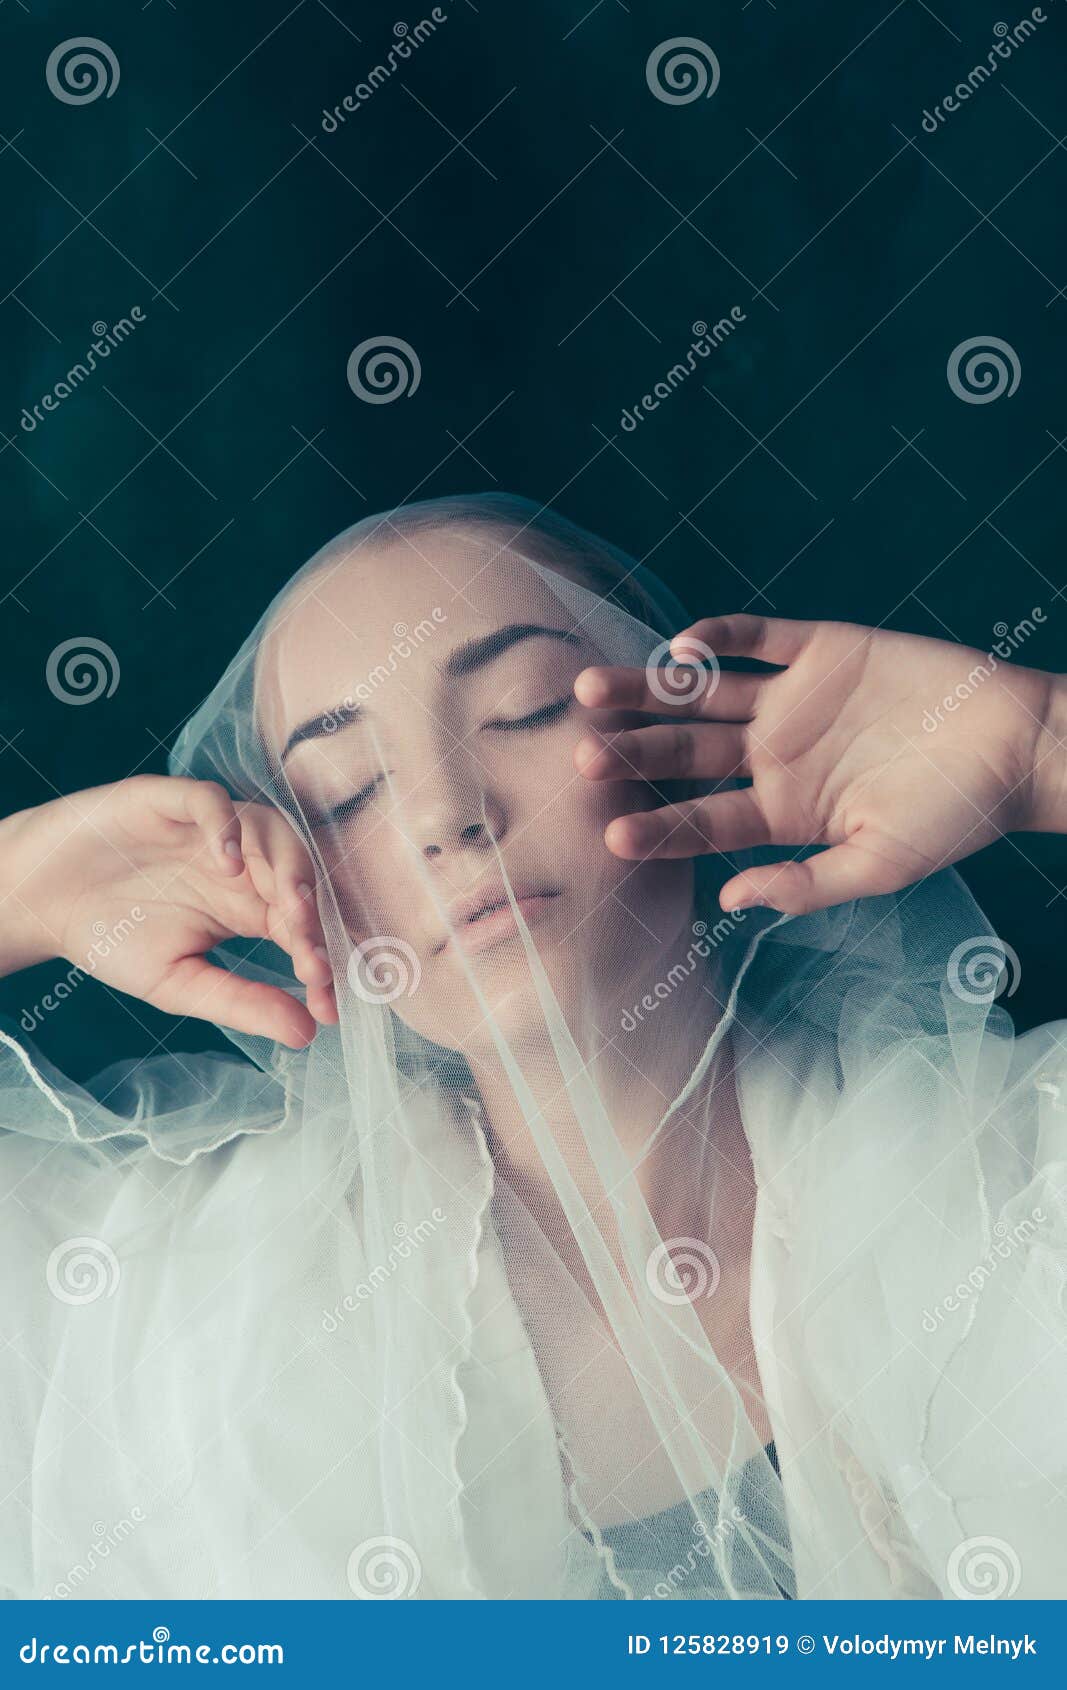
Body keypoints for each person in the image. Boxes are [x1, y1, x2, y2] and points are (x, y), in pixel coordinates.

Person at [0, 493, 1064, 1601]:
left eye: (521, 709)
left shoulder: (1020, 1189)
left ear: (687, 748)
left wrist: (1043, 744)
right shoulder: (191, 1311)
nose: (444, 814)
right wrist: (18, 886)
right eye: (344, 790)